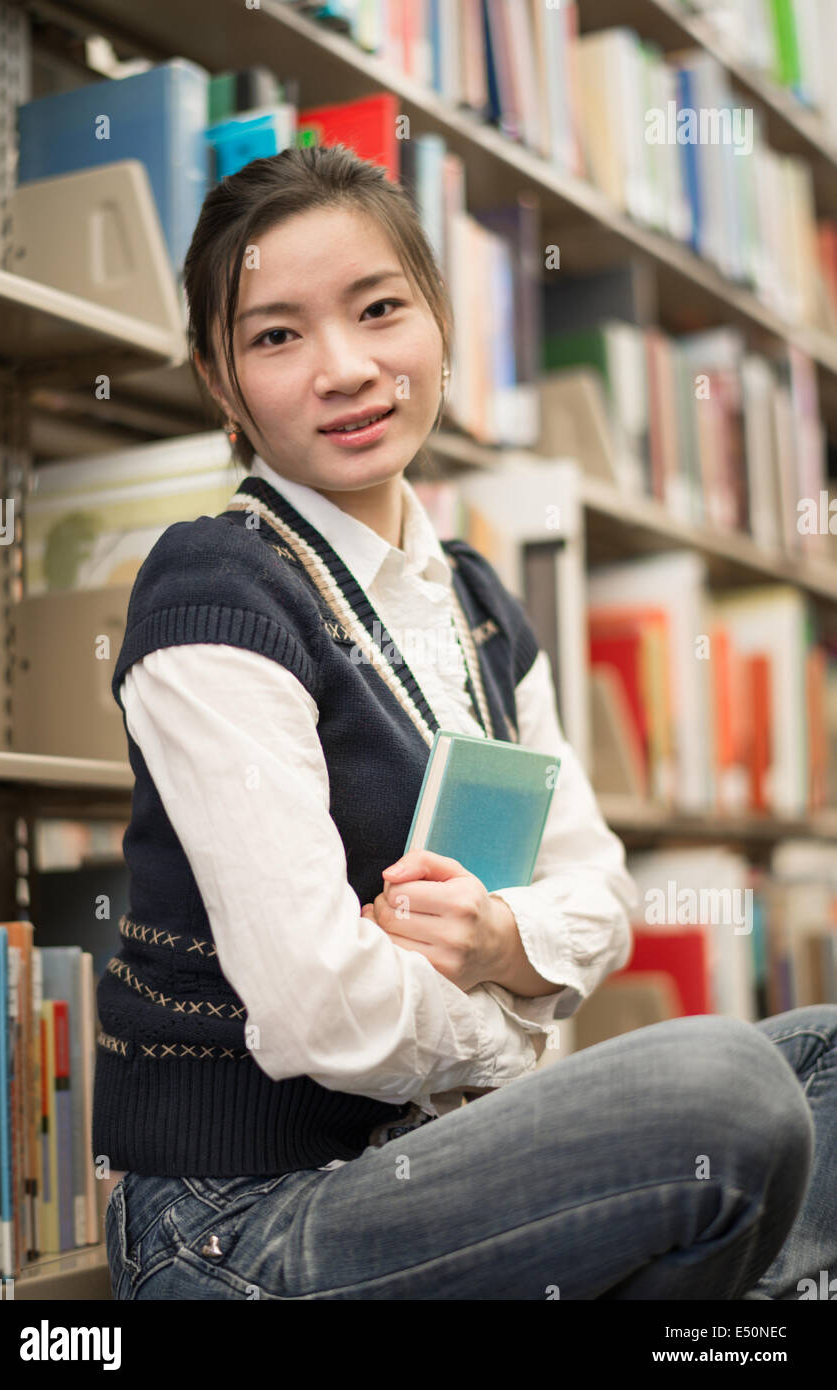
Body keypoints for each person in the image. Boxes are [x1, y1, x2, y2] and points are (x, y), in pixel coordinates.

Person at [96, 144, 836, 1300]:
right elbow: (319, 1010)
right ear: (219, 382)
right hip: (241, 1216)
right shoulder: (212, 589)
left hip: (426, 1161)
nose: (345, 367)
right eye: (276, 335)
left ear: (440, 323)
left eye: (379, 308)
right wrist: (519, 1034)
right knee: (730, 1091)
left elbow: (600, 887)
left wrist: (496, 939)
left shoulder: (481, 602)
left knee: (829, 1059)